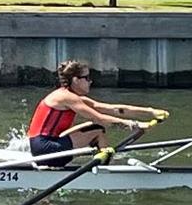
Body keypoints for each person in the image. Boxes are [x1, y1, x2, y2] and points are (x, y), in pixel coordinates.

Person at [26, 61, 163, 167]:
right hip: (46, 150)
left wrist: (150, 111)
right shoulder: (66, 97)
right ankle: (105, 171)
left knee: (92, 127)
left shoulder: (70, 97)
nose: (90, 81)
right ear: (76, 80)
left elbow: (114, 109)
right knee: (97, 130)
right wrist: (135, 125)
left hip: (42, 147)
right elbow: (99, 118)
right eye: (86, 78)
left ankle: (102, 161)